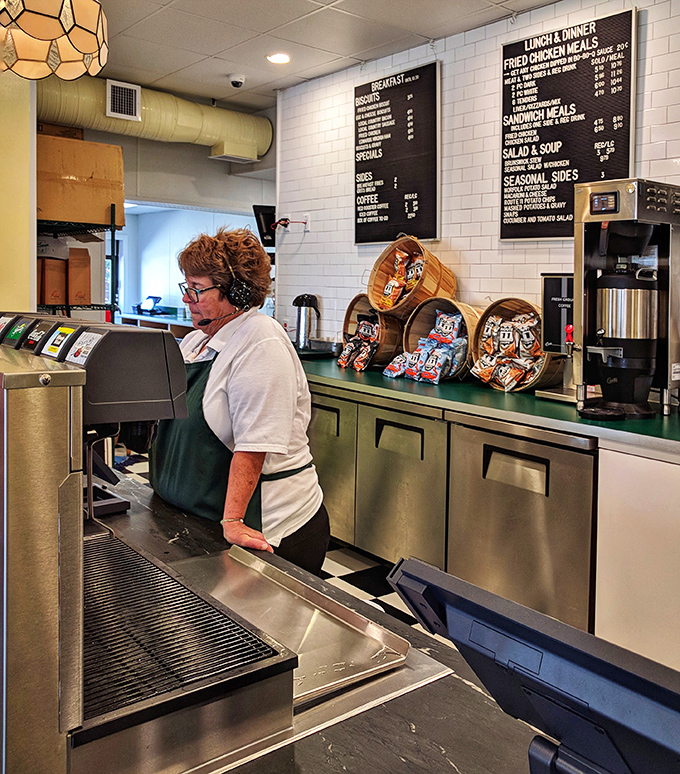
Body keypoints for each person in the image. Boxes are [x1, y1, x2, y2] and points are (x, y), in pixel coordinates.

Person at [149, 227, 330, 576]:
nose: (187, 299)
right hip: (199, 520)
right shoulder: (195, 343)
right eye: (185, 287)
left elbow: (254, 444)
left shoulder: (261, 344)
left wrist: (232, 520)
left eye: (196, 290)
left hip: (270, 531)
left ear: (238, 292)